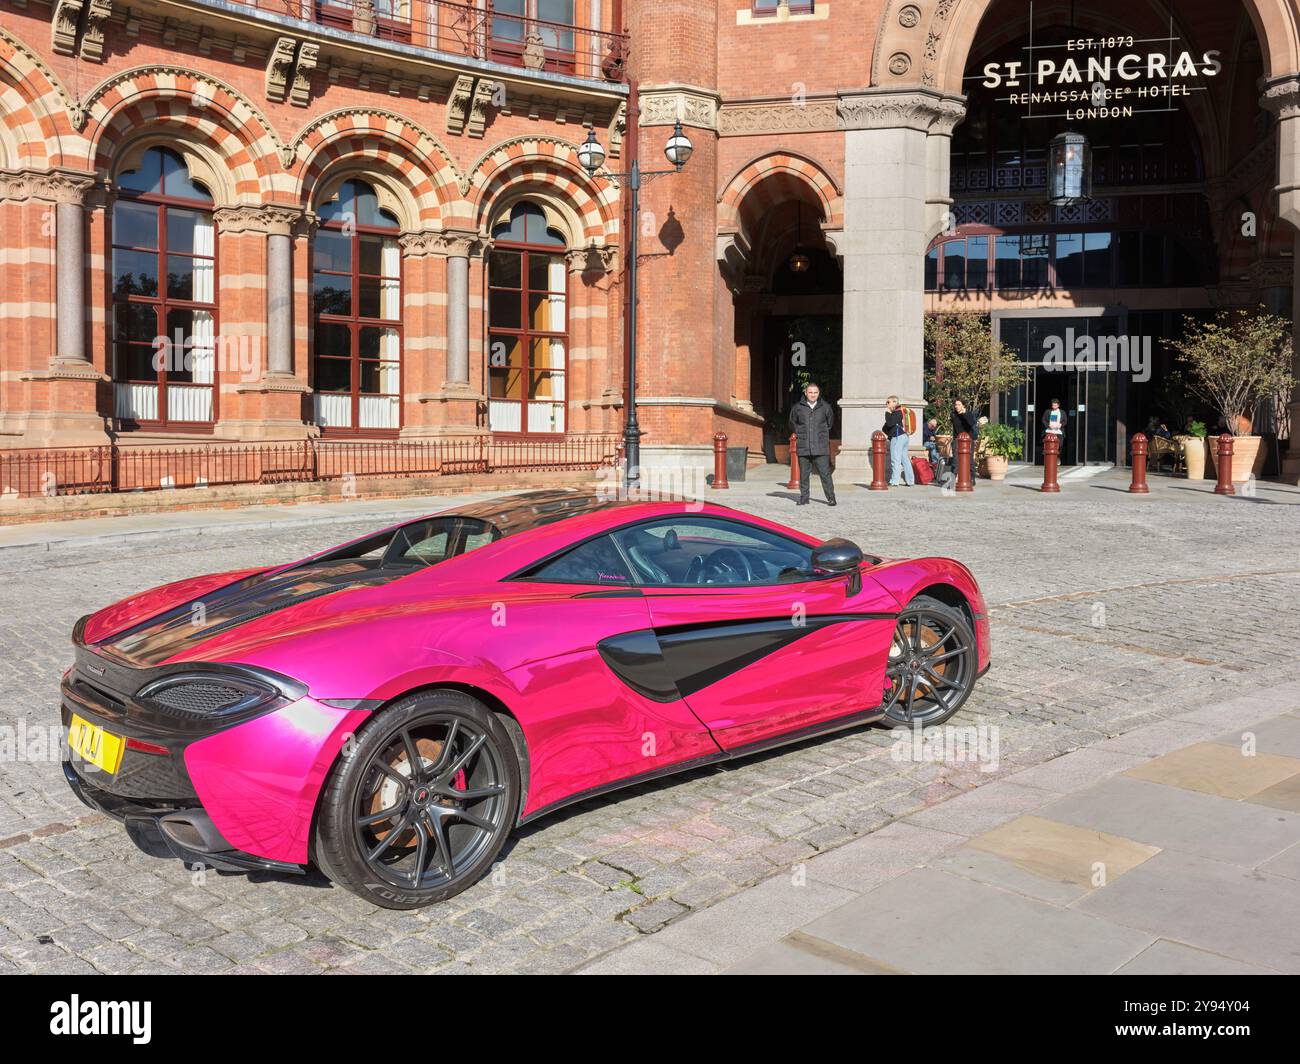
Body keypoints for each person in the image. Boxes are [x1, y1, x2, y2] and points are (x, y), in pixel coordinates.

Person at [789, 382, 836, 506]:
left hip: (821, 447)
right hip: (803, 445)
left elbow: (830, 423)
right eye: (810, 392)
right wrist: (800, 433)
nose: (813, 395)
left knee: (825, 474)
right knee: (804, 475)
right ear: (806, 393)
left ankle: (831, 498)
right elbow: (792, 423)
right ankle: (804, 498)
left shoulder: (826, 407)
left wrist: (821, 435)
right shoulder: (797, 407)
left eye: (815, 392)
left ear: (818, 393)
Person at [883, 396, 914, 487]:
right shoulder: (901, 412)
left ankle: (894, 481)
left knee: (895, 460)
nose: (887, 404)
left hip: (897, 437)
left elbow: (888, 423)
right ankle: (910, 481)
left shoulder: (896, 413)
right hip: (904, 436)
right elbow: (886, 427)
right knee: (905, 460)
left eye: (888, 402)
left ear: (895, 402)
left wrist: (887, 412)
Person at [952, 400, 979, 480]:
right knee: (955, 461)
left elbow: (971, 423)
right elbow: (957, 427)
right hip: (957, 439)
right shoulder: (953, 414)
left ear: (963, 406)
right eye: (955, 404)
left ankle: (972, 478)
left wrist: (964, 414)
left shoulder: (969, 414)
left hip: (968, 440)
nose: (956, 406)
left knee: (970, 460)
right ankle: (953, 479)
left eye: (959, 405)